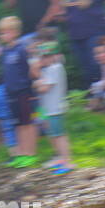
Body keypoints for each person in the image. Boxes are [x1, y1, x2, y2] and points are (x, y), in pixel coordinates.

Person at [0, 16, 40, 167]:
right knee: (18, 124)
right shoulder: (5, 52)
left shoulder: (22, 50)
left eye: (5, 32)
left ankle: (31, 153)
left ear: (15, 32)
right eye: (1, 33)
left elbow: (31, 70)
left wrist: (33, 84)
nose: (2, 36)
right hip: (11, 92)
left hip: (24, 92)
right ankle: (21, 154)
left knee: (28, 123)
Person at [32, 32, 72, 173]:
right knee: (50, 133)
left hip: (55, 108)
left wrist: (37, 82)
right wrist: (38, 80)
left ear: (54, 56)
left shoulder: (55, 68)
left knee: (59, 134)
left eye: (46, 56)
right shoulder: (48, 69)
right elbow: (41, 84)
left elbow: (44, 88)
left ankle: (67, 162)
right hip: (45, 109)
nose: (43, 60)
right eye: (42, 56)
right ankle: (59, 157)